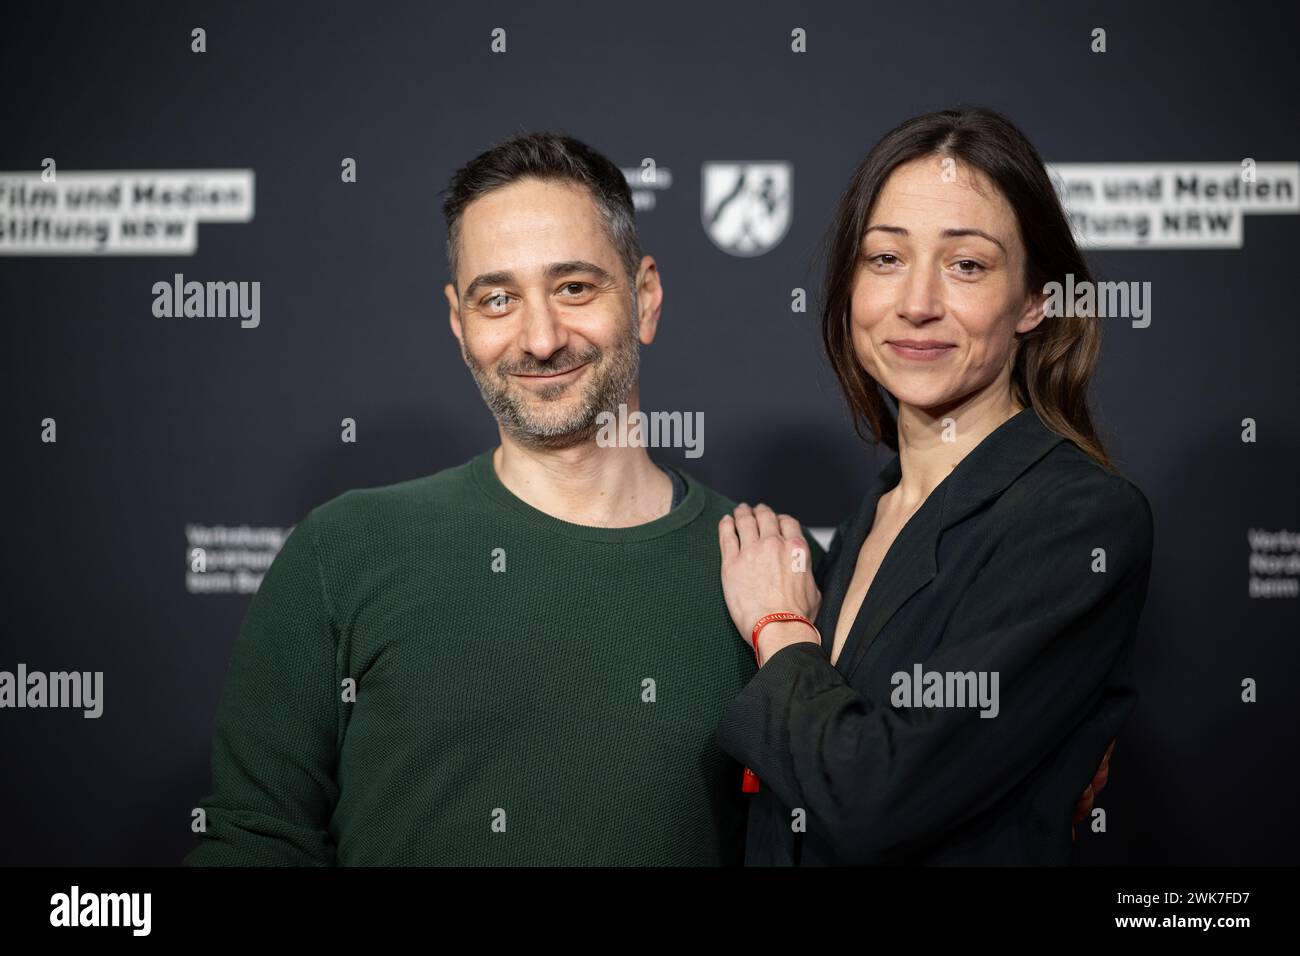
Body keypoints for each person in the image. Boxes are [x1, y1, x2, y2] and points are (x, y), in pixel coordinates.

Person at [184, 132, 779, 865]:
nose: (539, 337)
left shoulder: (765, 573)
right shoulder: (343, 550)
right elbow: (252, 840)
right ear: (459, 323)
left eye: (574, 287)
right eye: (497, 298)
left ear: (645, 297)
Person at [714, 107, 1153, 865]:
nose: (916, 302)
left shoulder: (1079, 519)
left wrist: (780, 631)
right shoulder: (870, 520)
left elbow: (872, 795)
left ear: (1035, 300)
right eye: (885, 259)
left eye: (967, 265)